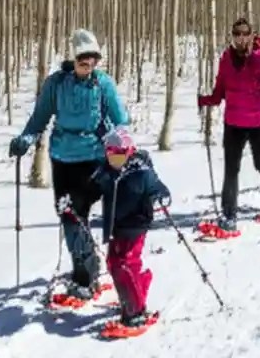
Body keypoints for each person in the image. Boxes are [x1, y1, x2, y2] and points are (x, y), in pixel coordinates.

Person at [9, 28, 128, 300]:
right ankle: (86, 269)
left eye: (93, 62)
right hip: (62, 158)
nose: (88, 67)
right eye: (83, 62)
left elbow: (122, 119)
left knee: (79, 212)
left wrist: (114, 135)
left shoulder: (103, 84)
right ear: (73, 60)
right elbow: (39, 119)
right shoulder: (56, 84)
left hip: (95, 158)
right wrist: (25, 139)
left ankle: (86, 278)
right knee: (69, 216)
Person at [197, 17, 260, 231]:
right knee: (231, 168)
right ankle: (229, 214)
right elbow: (220, 91)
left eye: (245, 33)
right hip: (234, 122)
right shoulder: (226, 58)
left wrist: (259, 63)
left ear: (252, 35)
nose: (241, 38)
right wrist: (206, 100)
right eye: (237, 34)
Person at [92, 126, 171, 330]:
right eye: (109, 154)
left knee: (124, 264)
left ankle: (135, 312)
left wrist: (160, 196)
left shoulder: (142, 173)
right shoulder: (106, 171)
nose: (113, 160)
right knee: (113, 263)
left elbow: (160, 188)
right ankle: (136, 290)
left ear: (129, 152)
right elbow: (92, 187)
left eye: (118, 155)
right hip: (115, 227)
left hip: (136, 225)